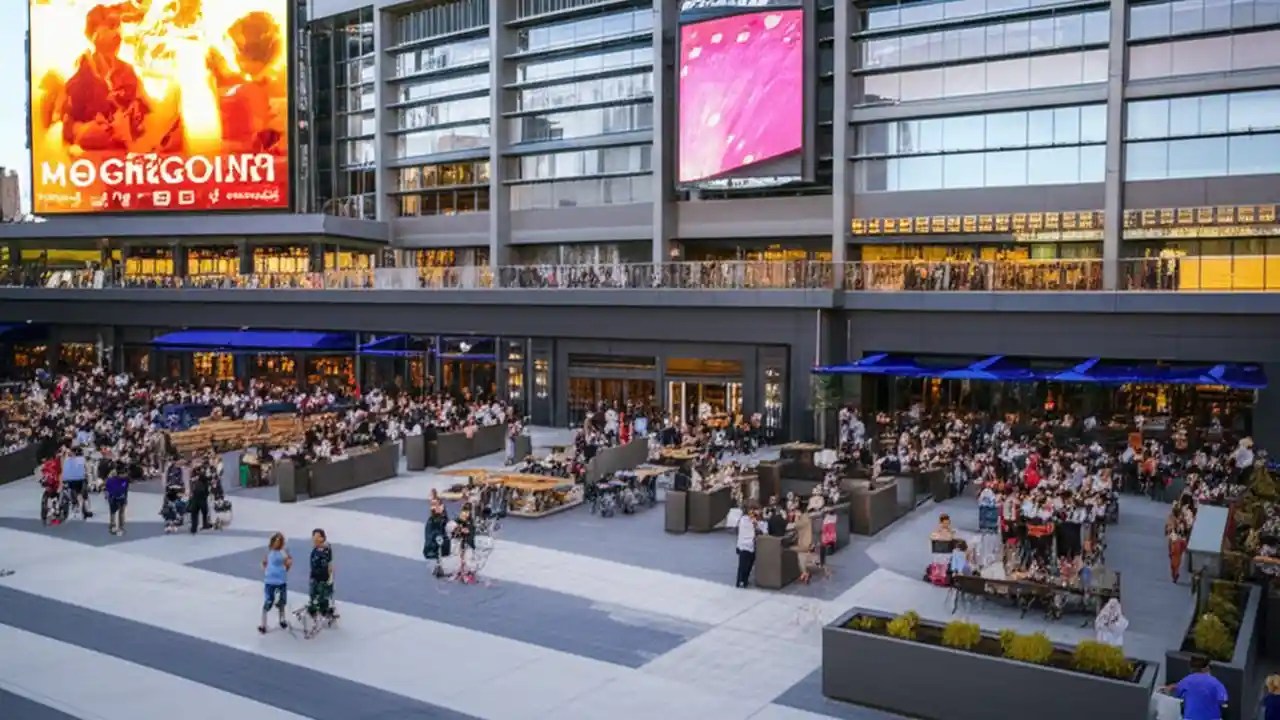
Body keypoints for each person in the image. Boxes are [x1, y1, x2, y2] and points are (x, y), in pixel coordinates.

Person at [1164, 655, 1228, 720]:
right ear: (1207, 668)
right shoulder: (1216, 683)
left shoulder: (1186, 681)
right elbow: (1223, 700)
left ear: (1191, 668)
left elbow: (1176, 694)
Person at [259, 532, 292, 634]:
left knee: (281, 601)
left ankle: (282, 620)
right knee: (268, 601)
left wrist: (284, 570)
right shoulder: (268, 552)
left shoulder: (283, 552)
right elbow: (264, 562)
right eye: (275, 541)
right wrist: (267, 571)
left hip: (281, 581)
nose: (277, 543)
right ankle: (263, 624)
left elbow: (289, 562)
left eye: (279, 541)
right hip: (270, 581)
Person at [306, 528, 336, 628]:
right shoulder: (314, 549)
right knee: (313, 594)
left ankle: (325, 613)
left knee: (323, 597)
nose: (314, 538)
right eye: (314, 536)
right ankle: (313, 611)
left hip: (323, 577)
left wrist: (330, 578)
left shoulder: (326, 550)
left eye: (317, 536)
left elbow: (330, 565)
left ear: (322, 538)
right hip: (314, 576)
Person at [735, 504, 761, 588]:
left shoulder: (752, 520)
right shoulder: (744, 520)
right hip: (745, 545)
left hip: (750, 545)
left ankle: (744, 580)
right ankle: (740, 581)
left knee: (749, 564)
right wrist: (755, 522)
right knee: (743, 565)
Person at [104, 460, 129, 536]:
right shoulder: (123, 475)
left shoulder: (112, 475)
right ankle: (118, 527)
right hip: (118, 496)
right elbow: (125, 487)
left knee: (114, 511)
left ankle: (114, 526)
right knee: (118, 511)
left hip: (114, 496)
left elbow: (107, 485)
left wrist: (107, 494)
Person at [189, 464, 212, 534]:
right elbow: (207, 488)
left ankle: (193, 528)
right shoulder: (204, 478)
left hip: (195, 498)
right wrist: (206, 495)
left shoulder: (193, 478)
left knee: (194, 513)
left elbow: (191, 487)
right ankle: (205, 524)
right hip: (202, 498)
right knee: (204, 512)